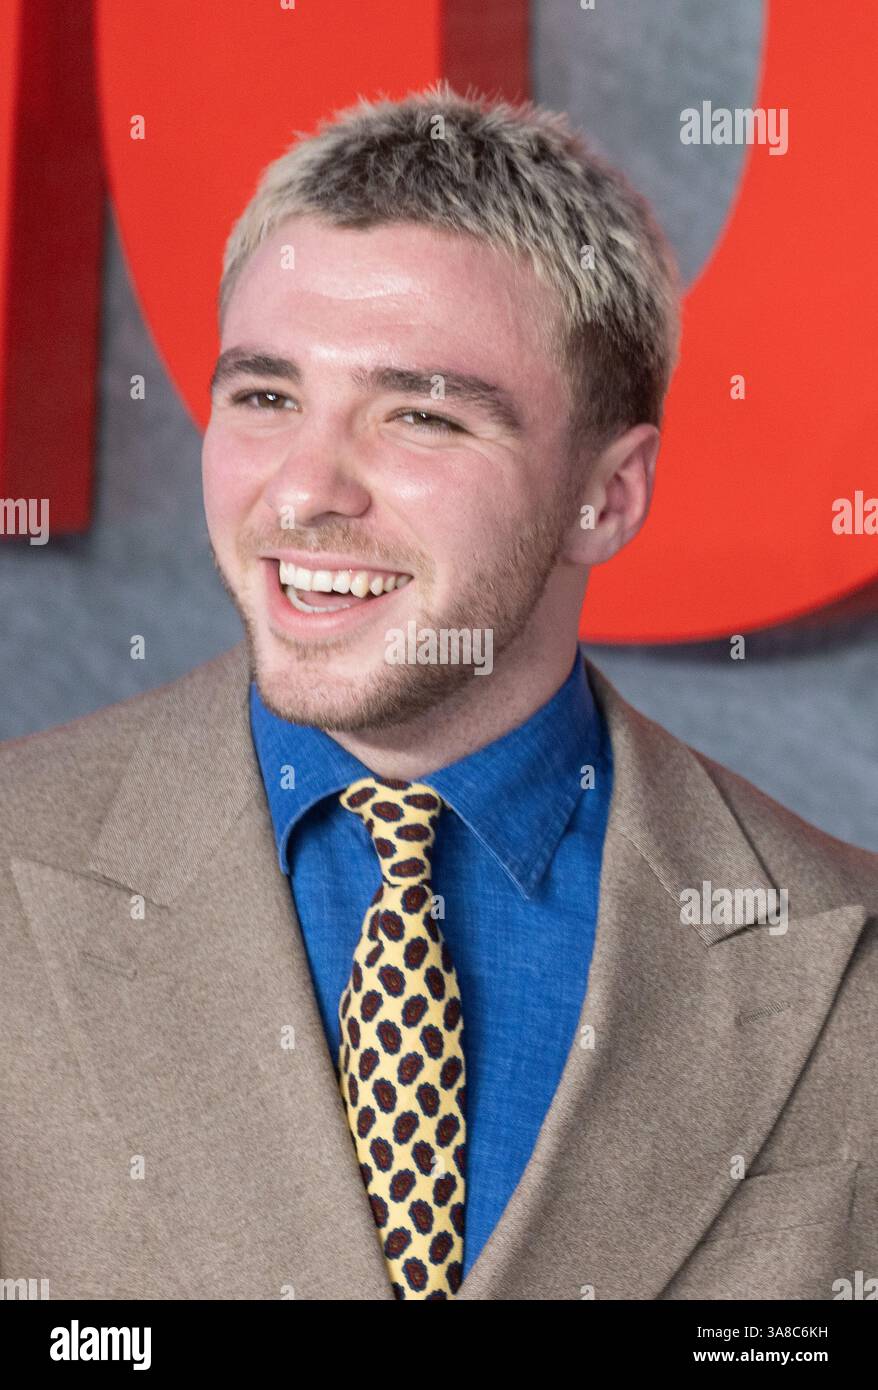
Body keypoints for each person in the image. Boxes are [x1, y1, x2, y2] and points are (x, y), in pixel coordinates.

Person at [1, 84, 875, 1302]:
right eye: (263, 397)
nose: (304, 491)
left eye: (417, 415)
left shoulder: (848, 961)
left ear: (606, 497)